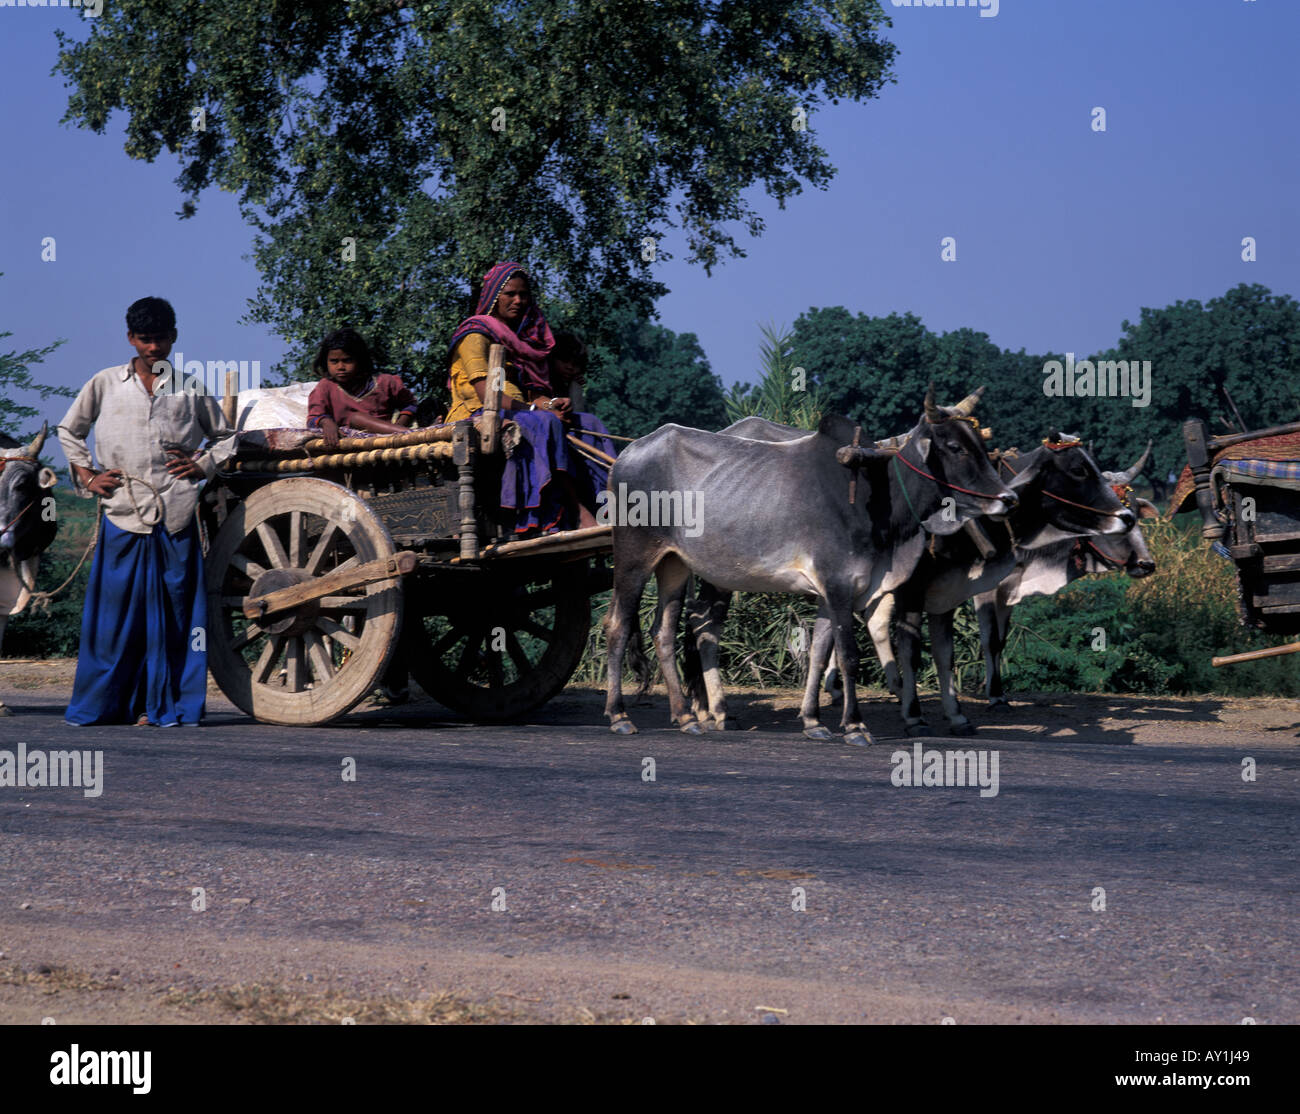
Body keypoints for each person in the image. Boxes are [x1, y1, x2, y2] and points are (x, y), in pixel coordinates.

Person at [57, 296, 237, 726]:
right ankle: (106, 705)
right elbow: (69, 429)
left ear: (173, 338)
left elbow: (227, 438)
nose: (152, 348)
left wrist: (202, 464)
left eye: (159, 339)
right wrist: (87, 476)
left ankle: (169, 706)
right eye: (144, 339)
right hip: (123, 511)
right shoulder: (104, 382)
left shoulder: (190, 386)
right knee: (114, 618)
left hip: (176, 512)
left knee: (177, 616)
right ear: (130, 339)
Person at [446, 262, 616, 533]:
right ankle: (569, 513)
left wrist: (552, 405)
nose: (518, 301)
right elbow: (485, 392)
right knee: (544, 423)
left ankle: (607, 508)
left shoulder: (526, 339)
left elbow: (535, 393)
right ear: (493, 296)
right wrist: (539, 412)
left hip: (521, 411)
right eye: (509, 294)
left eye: (523, 294)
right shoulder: (475, 335)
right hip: (478, 414)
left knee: (589, 424)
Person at [307, 326, 417, 447]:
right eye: (334, 361)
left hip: (387, 437)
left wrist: (399, 425)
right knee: (355, 419)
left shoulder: (385, 382)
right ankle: (413, 435)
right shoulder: (325, 387)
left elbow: (410, 404)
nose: (340, 367)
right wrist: (327, 423)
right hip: (352, 443)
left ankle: (408, 434)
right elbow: (313, 418)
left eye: (347, 360)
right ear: (325, 362)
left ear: (360, 360)